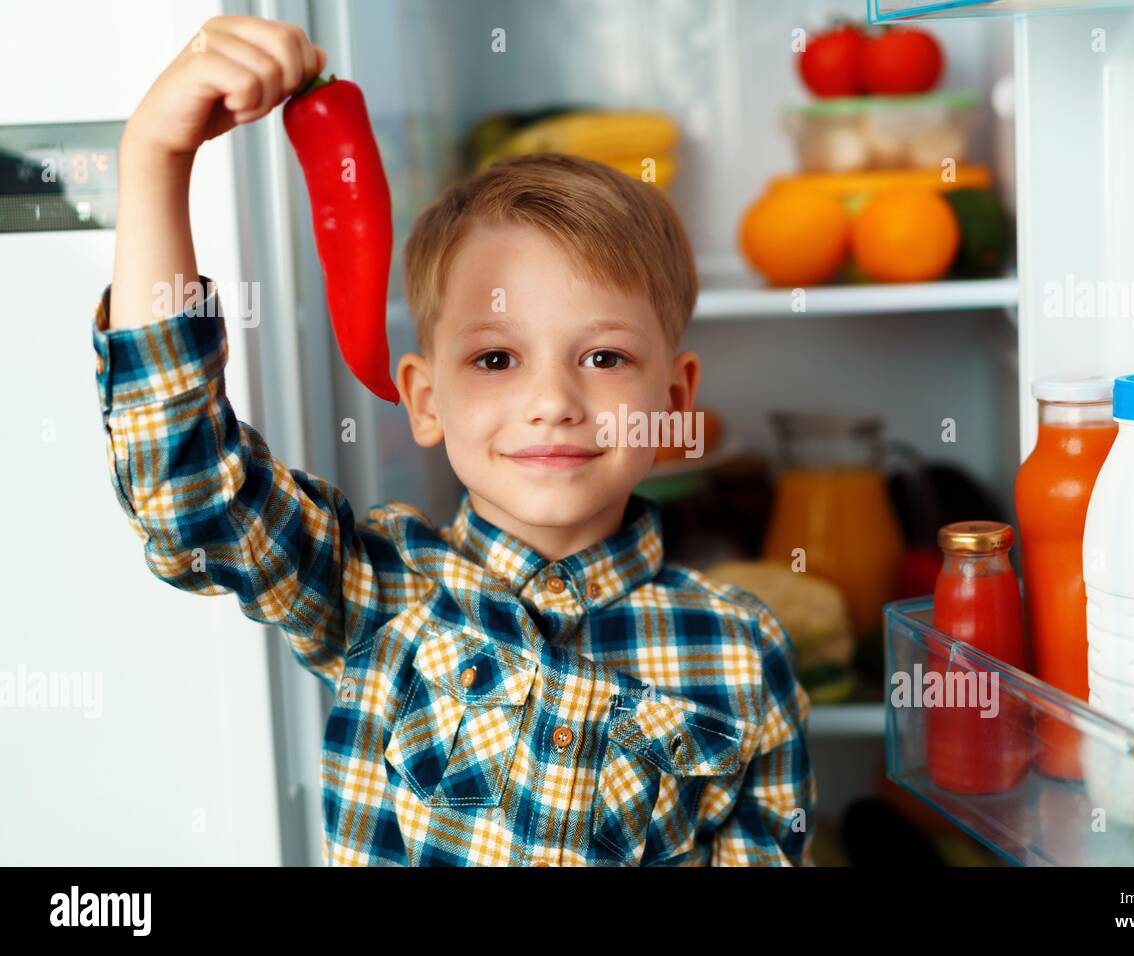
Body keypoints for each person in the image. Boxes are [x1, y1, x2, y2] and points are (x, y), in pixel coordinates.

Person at [93, 14, 815, 866]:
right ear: (425, 401)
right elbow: (189, 499)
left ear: (676, 397)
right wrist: (155, 163)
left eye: (605, 356)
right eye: (497, 358)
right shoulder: (371, 593)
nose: (552, 400)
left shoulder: (740, 647)